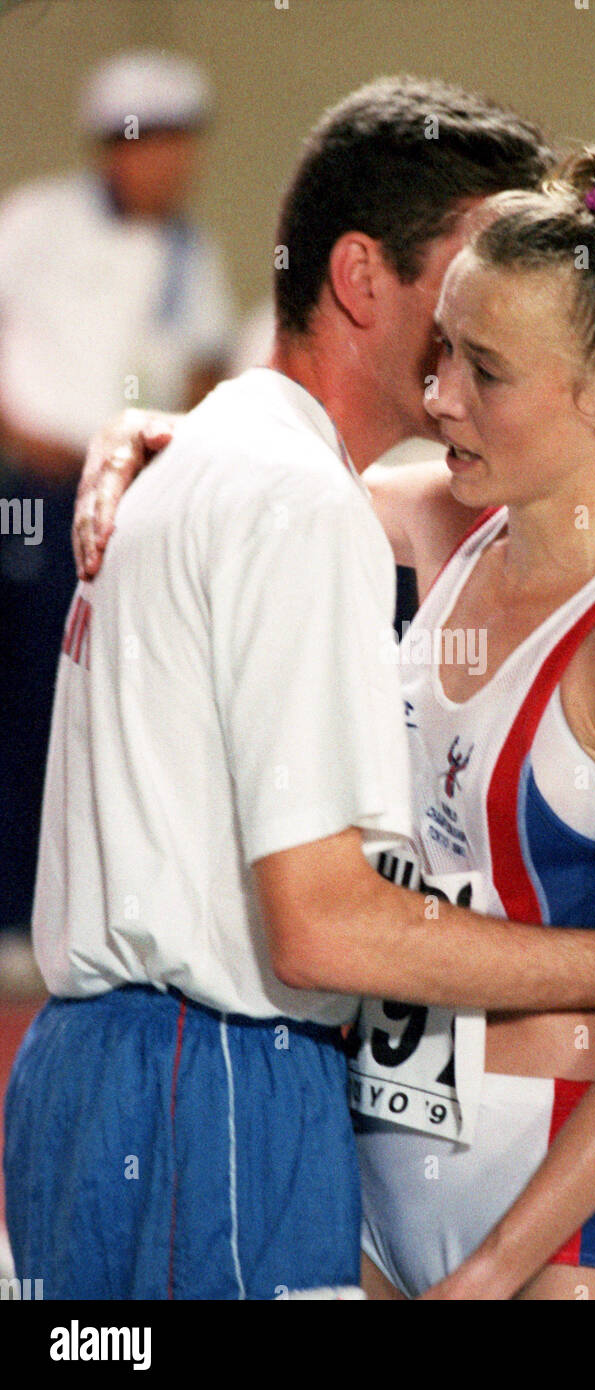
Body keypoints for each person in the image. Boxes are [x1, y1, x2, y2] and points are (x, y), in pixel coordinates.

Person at [61, 82, 595, 1301]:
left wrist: (490, 1277)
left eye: (482, 370)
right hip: (368, 1173)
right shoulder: (437, 524)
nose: (437, 393)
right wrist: (136, 429)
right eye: (441, 346)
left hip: (553, 1208)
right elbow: (253, 464)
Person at [0, 50, 233, 981]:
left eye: (180, 143)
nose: (165, 164)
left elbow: (209, 367)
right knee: (21, 693)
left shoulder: (191, 252)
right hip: (29, 490)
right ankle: (11, 913)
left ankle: (75, 910)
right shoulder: (35, 222)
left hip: (129, 500)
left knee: (90, 698)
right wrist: (29, 438)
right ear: (108, 150)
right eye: (145, 143)